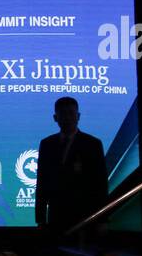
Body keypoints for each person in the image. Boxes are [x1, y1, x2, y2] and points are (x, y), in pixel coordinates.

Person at [34, 97, 108, 236]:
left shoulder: (92, 144)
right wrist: (40, 219)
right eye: (63, 114)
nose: (67, 118)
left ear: (78, 116)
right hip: (56, 215)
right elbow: (42, 183)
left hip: (85, 215)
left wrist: (102, 219)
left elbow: (100, 184)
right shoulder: (47, 144)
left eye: (71, 113)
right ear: (55, 118)